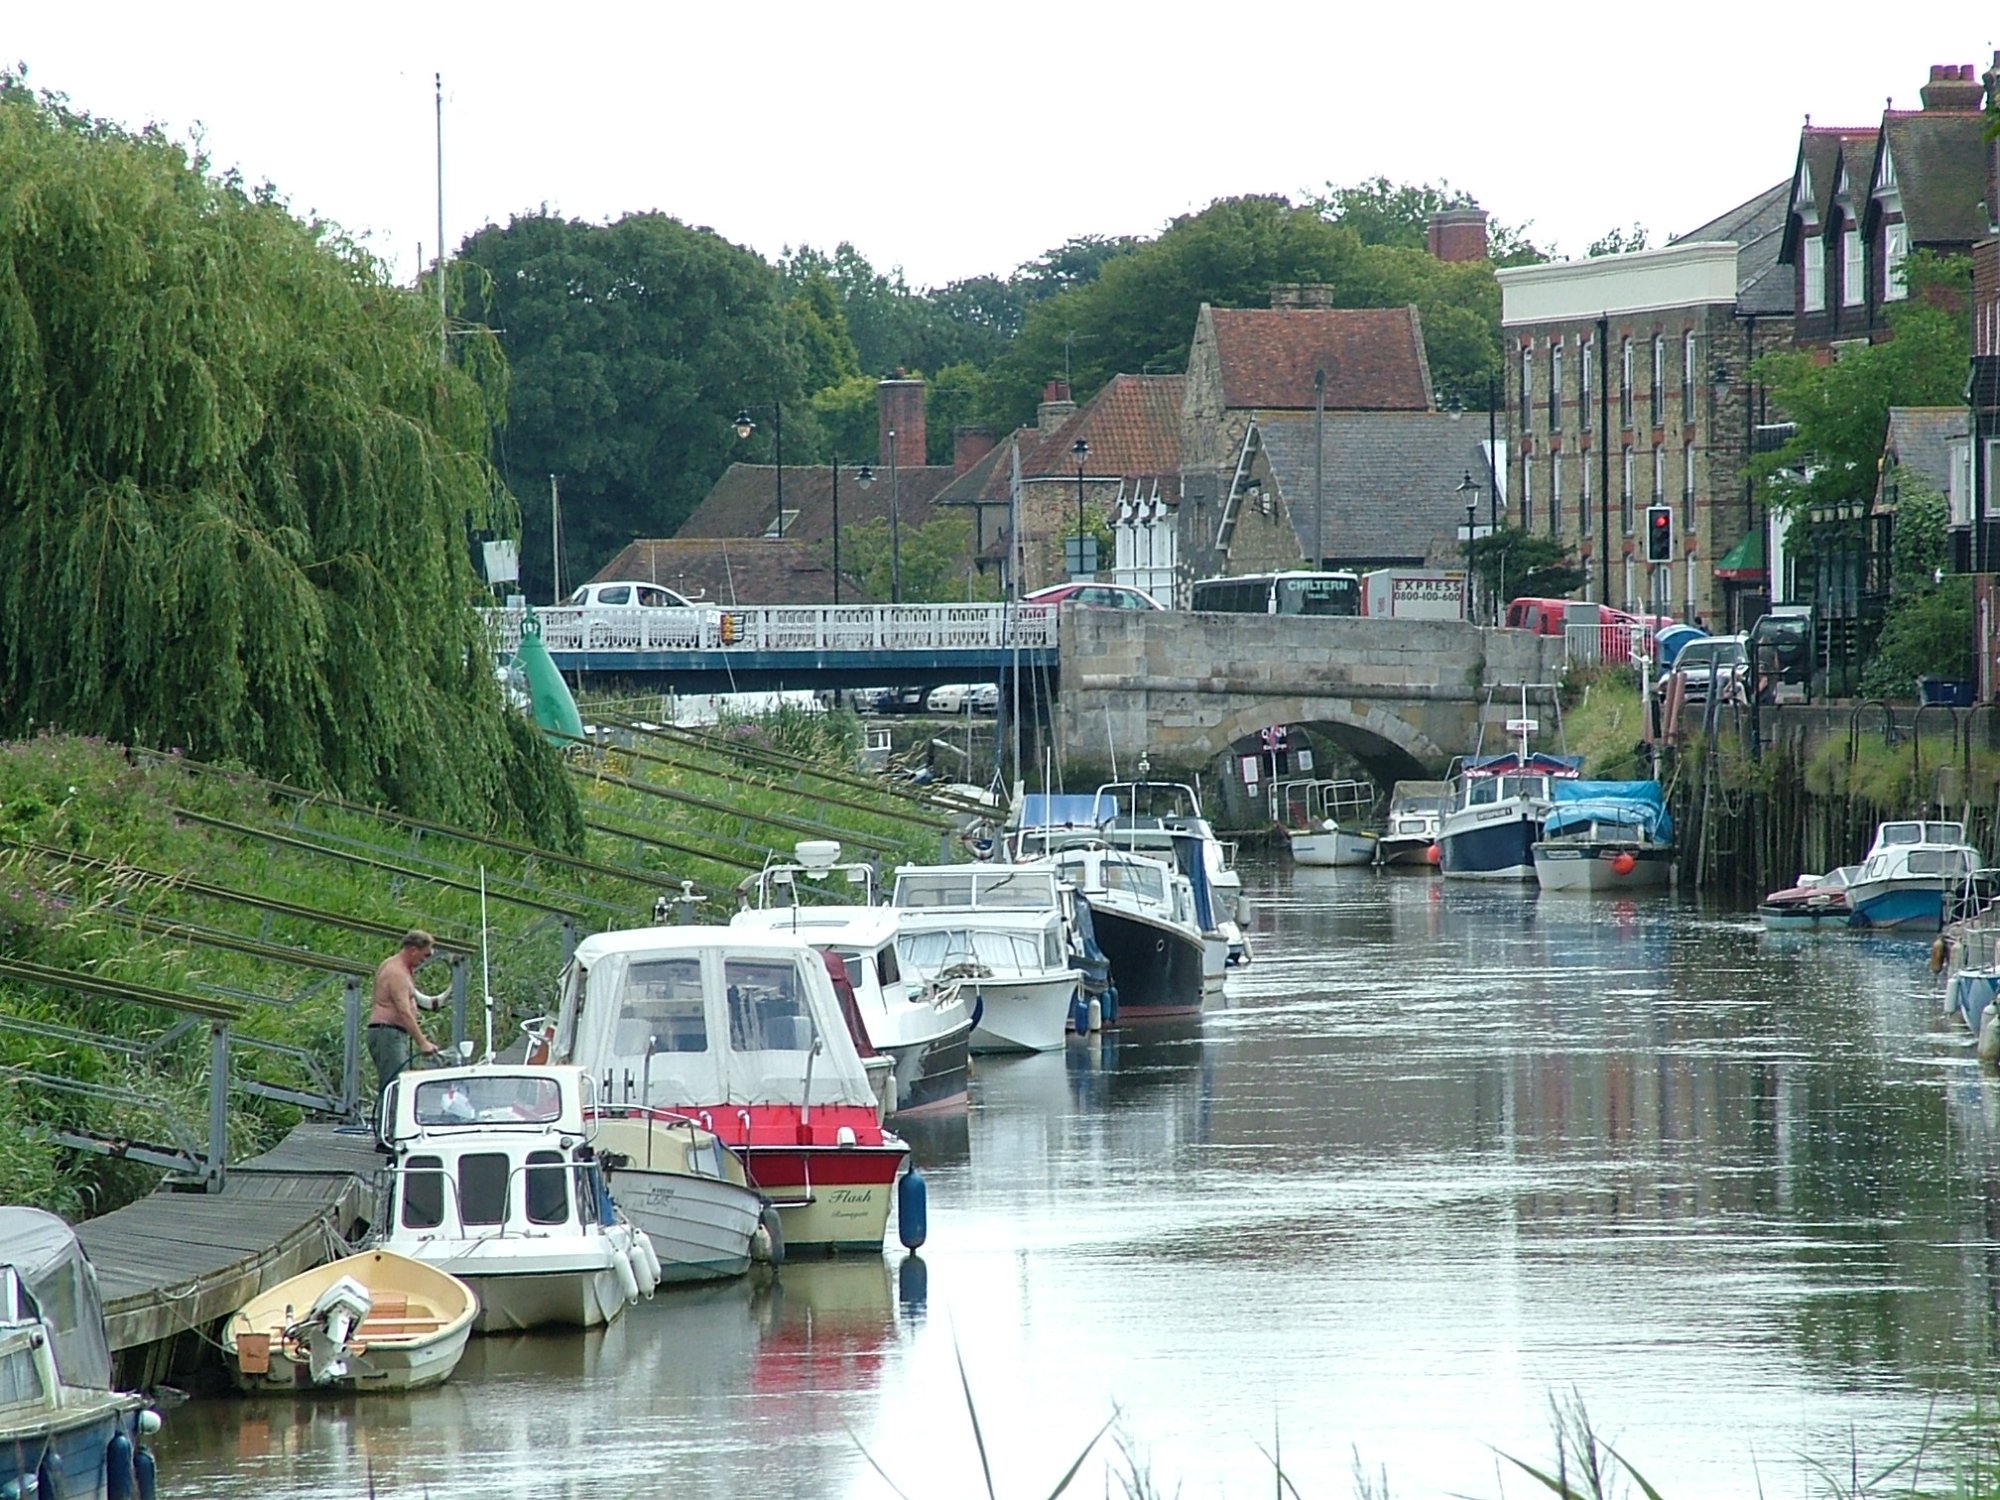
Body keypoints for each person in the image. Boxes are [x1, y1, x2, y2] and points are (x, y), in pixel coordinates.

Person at [369, 930, 442, 1110]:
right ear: (412, 950)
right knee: (393, 1086)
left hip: (391, 1034)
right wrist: (422, 1042)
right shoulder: (396, 973)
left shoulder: (397, 967)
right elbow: (404, 1011)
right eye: (425, 955)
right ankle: (389, 1133)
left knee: (396, 1084)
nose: (425, 960)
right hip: (387, 1033)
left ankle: (390, 1129)